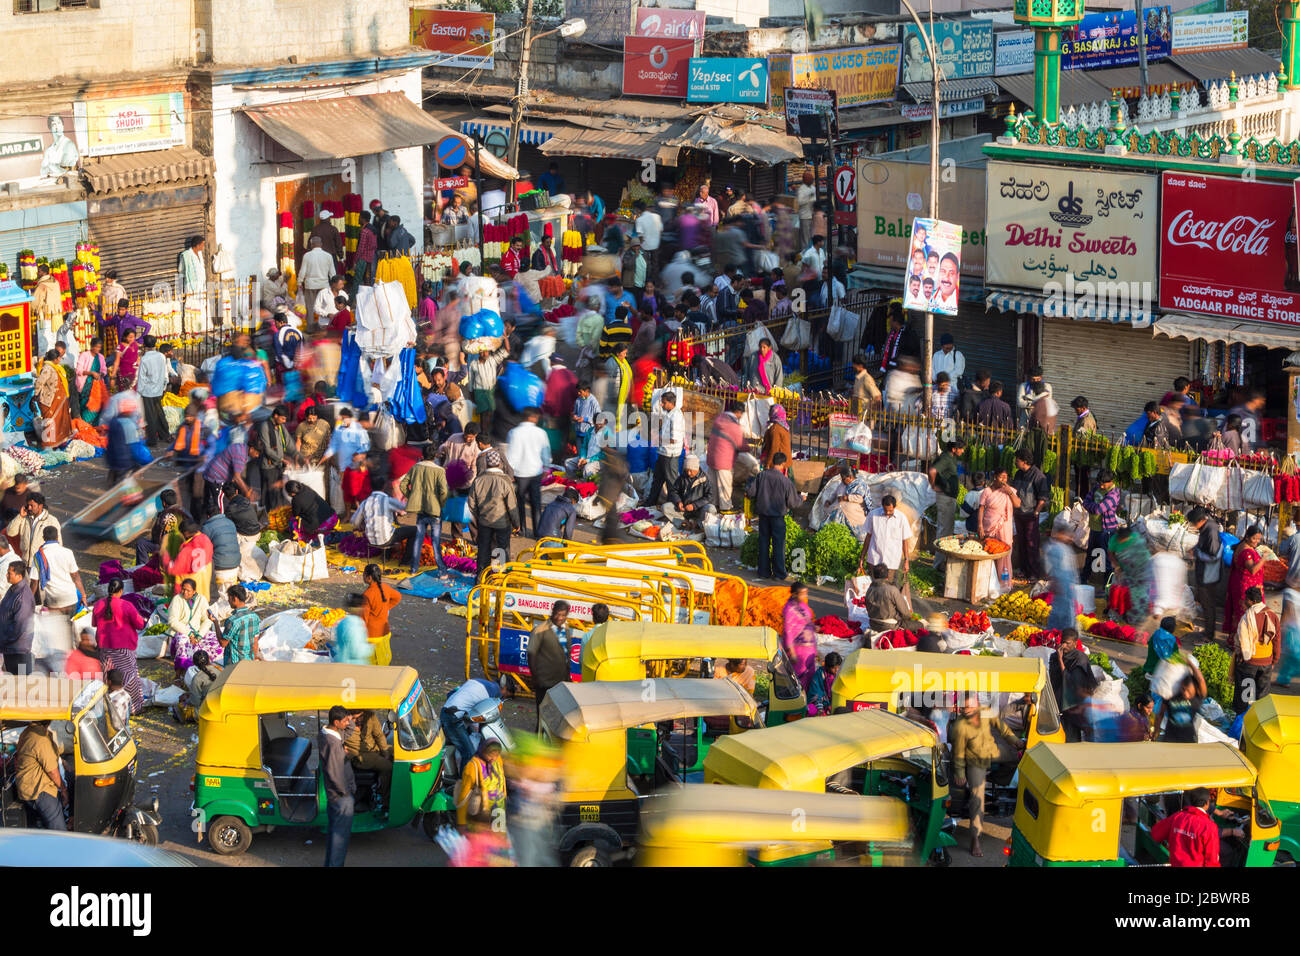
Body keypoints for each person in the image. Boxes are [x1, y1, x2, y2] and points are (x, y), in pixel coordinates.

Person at [950, 693, 1022, 856]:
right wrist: (960, 773)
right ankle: (975, 839)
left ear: (976, 704)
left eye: (969, 707)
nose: (966, 711)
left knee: (1017, 758)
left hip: (993, 751)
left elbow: (1002, 728)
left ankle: (993, 777)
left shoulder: (986, 711)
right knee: (978, 797)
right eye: (963, 708)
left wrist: (1015, 740)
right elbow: (958, 754)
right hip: (975, 761)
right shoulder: (960, 727)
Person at [91, 578, 145, 712]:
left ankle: (108, 708)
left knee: (108, 678)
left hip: (105, 649)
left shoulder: (98, 605)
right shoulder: (126, 606)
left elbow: (94, 623)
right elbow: (140, 624)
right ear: (121, 591)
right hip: (124, 649)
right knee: (130, 678)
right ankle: (133, 708)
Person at [1151, 787, 1238, 866]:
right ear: (1207, 803)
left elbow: (1155, 834)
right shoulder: (1209, 827)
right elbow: (1212, 862)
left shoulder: (1177, 817)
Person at [401, 444, 450, 574]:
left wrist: (411, 497)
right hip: (434, 510)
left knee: (418, 538)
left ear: (422, 455)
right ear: (435, 456)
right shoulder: (439, 470)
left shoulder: (416, 467)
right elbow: (444, 491)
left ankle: (413, 568)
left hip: (420, 509)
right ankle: (441, 570)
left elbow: (403, 484)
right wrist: (441, 503)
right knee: (436, 540)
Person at [751, 452, 800, 581]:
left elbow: (751, 492)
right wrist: (802, 498)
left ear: (773, 462)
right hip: (777, 517)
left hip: (763, 515)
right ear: (783, 464)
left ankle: (763, 572)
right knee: (778, 544)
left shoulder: (761, 476)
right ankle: (779, 574)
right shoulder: (785, 481)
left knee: (763, 542)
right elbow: (793, 503)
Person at [441, 677, 512, 767]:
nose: (503, 697)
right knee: (469, 753)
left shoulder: (478, 681)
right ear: (504, 688)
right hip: (453, 719)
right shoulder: (494, 693)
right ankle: (463, 779)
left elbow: (450, 693)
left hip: (449, 712)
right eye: (506, 695)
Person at [320, 705, 357, 866]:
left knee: (335, 833)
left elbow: (348, 731)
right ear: (336, 722)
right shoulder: (334, 744)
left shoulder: (330, 733)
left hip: (335, 795)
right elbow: (334, 774)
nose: (347, 723)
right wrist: (346, 792)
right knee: (339, 837)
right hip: (340, 797)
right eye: (344, 721)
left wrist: (350, 719)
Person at [1232, 585, 1279, 713]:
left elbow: (1241, 642)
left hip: (1249, 663)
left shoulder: (1246, 618)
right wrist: (1274, 660)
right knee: (1262, 696)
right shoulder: (1272, 615)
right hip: (1266, 662)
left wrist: (1240, 657)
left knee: (1245, 695)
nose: (1244, 602)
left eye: (1246, 599)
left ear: (1252, 601)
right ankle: (1259, 719)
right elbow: (1276, 640)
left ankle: (1241, 719)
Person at [505, 408, 551, 538]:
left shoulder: (514, 433)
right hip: (535, 471)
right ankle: (538, 532)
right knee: (536, 503)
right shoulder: (541, 433)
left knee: (519, 502)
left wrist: (510, 473)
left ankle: (521, 529)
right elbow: (546, 452)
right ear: (534, 418)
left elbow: (511, 455)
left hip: (519, 473)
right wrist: (546, 468)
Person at [14, 720, 66, 830]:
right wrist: (64, 790)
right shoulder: (40, 738)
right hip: (38, 789)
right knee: (59, 830)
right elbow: (52, 771)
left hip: (26, 786)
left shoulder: (28, 732)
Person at [529, 602, 571, 729]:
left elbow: (566, 654)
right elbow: (531, 654)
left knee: (557, 716)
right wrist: (535, 677)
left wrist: (568, 676)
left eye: (563, 615)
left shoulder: (566, 629)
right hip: (544, 681)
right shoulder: (540, 630)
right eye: (557, 614)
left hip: (560, 681)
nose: (560, 618)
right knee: (542, 715)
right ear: (552, 613)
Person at [857, 494, 913, 589]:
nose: (887, 512)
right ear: (882, 506)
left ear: (894, 507)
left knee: (889, 588)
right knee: (873, 586)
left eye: (890, 510)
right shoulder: (873, 515)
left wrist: (906, 560)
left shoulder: (901, 518)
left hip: (892, 560)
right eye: (885, 510)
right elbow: (868, 537)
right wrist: (862, 557)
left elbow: (905, 541)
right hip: (874, 558)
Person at [1010, 448, 1049, 581]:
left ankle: (1034, 573)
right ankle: (1023, 570)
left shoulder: (1038, 476)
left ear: (1025, 461)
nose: (1015, 462)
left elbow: (1043, 497)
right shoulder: (1018, 474)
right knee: (1021, 543)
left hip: (1031, 515)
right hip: (1019, 514)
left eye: (1017, 460)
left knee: (1031, 544)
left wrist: (1036, 512)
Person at [167, 576, 221, 671]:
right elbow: (172, 621)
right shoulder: (177, 599)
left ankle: (209, 664)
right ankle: (183, 669)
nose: (185, 592)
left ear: (194, 591)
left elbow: (207, 619)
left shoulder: (201, 599)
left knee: (216, 640)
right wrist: (189, 633)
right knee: (182, 642)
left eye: (188, 590)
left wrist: (199, 635)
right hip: (181, 632)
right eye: (183, 589)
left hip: (197, 632)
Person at [345, 708, 393, 810]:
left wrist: (385, 752)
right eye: (354, 718)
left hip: (373, 748)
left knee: (398, 754)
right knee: (388, 767)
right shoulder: (343, 722)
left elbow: (379, 735)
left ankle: (390, 788)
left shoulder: (370, 716)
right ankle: (386, 801)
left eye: (360, 717)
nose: (357, 720)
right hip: (359, 755)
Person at [645, 391, 686, 508]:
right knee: (657, 480)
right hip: (663, 452)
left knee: (671, 483)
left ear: (671, 403)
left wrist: (658, 438)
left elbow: (674, 439)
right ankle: (650, 503)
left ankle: (673, 507)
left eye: (664, 403)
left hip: (670, 454)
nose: (661, 405)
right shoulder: (669, 414)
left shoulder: (676, 416)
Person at [457, 738, 507, 832]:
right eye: (490, 755)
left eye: (496, 755)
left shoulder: (498, 760)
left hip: (498, 811)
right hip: (481, 814)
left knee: (498, 841)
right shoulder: (472, 766)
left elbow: (501, 781)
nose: (493, 758)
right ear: (483, 750)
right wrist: (461, 822)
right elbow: (464, 796)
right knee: (480, 842)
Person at [978, 466, 1017, 585]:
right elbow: (981, 508)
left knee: (1004, 553)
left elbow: (1018, 504)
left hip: (1004, 526)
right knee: (989, 551)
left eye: (1006, 477)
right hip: (989, 526)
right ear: (995, 477)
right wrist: (980, 525)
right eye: (1001, 477)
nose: (1004, 480)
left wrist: (1009, 492)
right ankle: (987, 582)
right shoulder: (987, 491)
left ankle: (1003, 582)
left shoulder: (1010, 490)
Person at [1108, 525, 1154, 626]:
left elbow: (1144, 555)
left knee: (1138, 595)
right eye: (1121, 540)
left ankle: (1138, 618)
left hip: (1140, 572)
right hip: (1124, 570)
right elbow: (1110, 553)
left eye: (1125, 540)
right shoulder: (1114, 540)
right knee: (1119, 592)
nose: (1123, 541)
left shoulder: (1136, 539)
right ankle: (1119, 613)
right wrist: (1116, 566)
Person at [1224, 524, 1266, 635]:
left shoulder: (1242, 546)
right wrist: (1263, 559)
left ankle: (1234, 640)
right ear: (1247, 537)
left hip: (1239, 582)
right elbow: (1252, 570)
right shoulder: (1247, 551)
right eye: (1254, 538)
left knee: (1238, 612)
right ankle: (1241, 641)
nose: (1256, 542)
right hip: (1246, 587)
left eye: (1258, 539)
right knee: (1245, 614)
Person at [929, 440, 964, 569]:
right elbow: (932, 471)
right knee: (944, 531)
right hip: (945, 498)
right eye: (961, 448)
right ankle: (938, 564)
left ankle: (941, 562)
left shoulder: (951, 458)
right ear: (954, 449)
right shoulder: (945, 458)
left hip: (949, 498)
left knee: (947, 530)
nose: (963, 451)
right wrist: (933, 486)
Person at [32, 349, 73, 449]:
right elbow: (39, 382)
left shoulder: (56, 367)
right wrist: (36, 395)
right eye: (59, 357)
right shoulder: (48, 369)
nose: (60, 359)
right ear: (55, 359)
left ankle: (57, 443)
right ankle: (48, 445)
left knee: (58, 422)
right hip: (49, 401)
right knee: (49, 422)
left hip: (58, 400)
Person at [781, 582, 817, 691]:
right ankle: (798, 699)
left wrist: (814, 627)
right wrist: (792, 653)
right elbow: (788, 631)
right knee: (799, 677)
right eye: (803, 593)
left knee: (810, 676)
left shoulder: (802, 605)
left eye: (806, 593)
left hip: (808, 648)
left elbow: (807, 620)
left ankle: (809, 700)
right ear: (795, 594)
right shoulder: (789, 610)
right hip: (798, 651)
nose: (805, 596)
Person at [707, 405, 744, 511]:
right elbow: (739, 442)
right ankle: (725, 509)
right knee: (724, 487)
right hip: (723, 460)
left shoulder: (719, 419)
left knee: (713, 486)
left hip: (712, 457)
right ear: (738, 412)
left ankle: (713, 508)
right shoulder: (732, 423)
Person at [665, 455, 714, 529]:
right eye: (687, 470)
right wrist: (678, 501)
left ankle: (698, 525)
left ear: (696, 469)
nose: (688, 473)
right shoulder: (682, 478)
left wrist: (694, 505)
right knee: (665, 507)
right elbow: (673, 491)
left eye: (691, 470)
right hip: (684, 510)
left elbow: (709, 497)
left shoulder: (705, 478)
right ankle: (683, 522)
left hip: (699, 510)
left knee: (711, 508)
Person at [217, 584, 261, 666]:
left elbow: (223, 643)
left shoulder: (232, 620)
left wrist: (215, 623)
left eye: (229, 598)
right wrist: (254, 660)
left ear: (234, 598)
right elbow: (255, 643)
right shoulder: (255, 617)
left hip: (234, 664)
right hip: (249, 662)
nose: (228, 601)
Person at [202, 506, 240, 600]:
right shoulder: (231, 523)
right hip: (236, 565)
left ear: (208, 516)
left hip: (220, 568)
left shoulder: (206, 528)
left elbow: (203, 550)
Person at [1163, 665, 1208, 743]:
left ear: (1195, 689)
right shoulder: (1172, 696)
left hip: (1188, 739)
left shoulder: (1197, 698)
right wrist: (1156, 731)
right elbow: (1160, 714)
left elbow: (1201, 680)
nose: (1185, 693)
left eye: (1189, 691)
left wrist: (1189, 663)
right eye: (1183, 689)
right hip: (1170, 738)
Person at [361, 564, 401, 651]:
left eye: (364, 574)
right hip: (385, 632)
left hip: (372, 636)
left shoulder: (367, 595)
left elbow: (363, 619)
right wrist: (386, 608)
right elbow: (398, 596)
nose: (362, 576)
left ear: (369, 578)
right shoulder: (385, 587)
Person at [807, 651, 843, 716]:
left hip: (833, 703)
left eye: (838, 667)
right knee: (811, 709)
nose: (837, 669)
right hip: (821, 703)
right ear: (828, 667)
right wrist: (820, 708)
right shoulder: (819, 674)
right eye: (834, 668)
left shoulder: (840, 674)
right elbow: (815, 693)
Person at [759, 403, 791, 469]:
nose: (769, 415)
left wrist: (768, 464)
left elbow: (774, 448)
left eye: (770, 413)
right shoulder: (783, 426)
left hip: (779, 464)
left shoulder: (776, 429)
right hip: (784, 462)